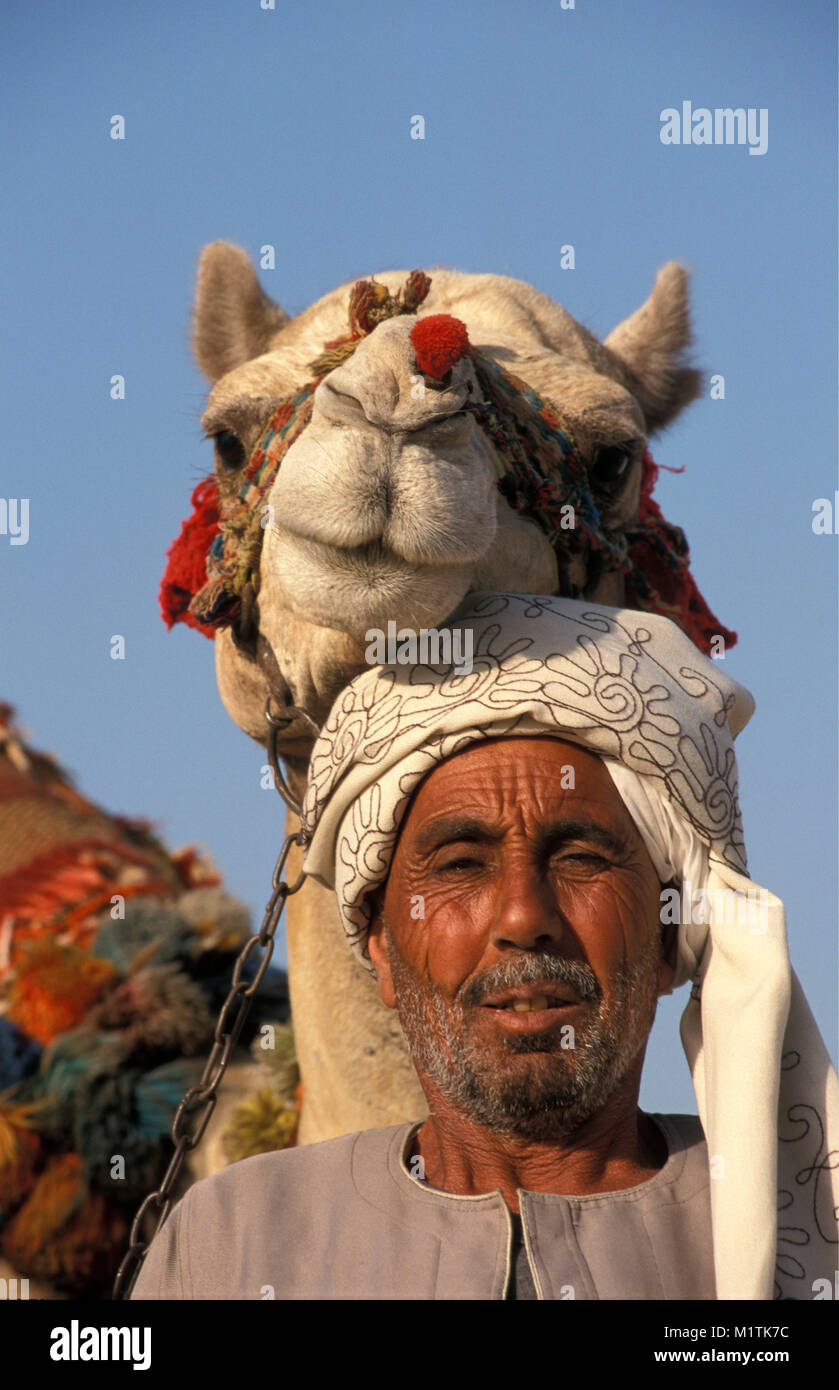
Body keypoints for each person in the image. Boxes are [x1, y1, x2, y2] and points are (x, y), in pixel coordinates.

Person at [129, 593, 838, 1300]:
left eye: (580, 858)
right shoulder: (232, 1242)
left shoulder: (807, 1223)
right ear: (378, 941)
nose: (524, 916)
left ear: (667, 933)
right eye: (460, 864)